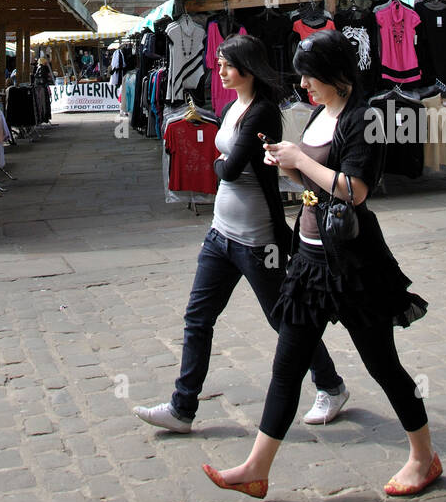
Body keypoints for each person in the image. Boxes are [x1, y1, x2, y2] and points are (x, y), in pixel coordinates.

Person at [203, 29, 440, 501]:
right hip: (309, 260)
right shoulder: (317, 112)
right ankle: (256, 467)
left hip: (354, 266)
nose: (304, 84)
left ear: (334, 74)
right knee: (287, 367)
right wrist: (286, 166)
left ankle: (423, 456)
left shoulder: (364, 117)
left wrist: (299, 160)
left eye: (310, 75)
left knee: (383, 365)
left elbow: (354, 191)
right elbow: (316, 186)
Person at [134, 34, 348, 434]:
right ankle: (183, 408)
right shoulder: (233, 107)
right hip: (220, 235)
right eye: (218, 64)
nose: (220, 70)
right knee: (197, 318)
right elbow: (229, 161)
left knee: (283, 319)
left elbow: (230, 170)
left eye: (227, 65)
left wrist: (219, 163)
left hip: (257, 239)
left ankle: (331, 385)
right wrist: (224, 161)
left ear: (247, 68)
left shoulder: (263, 111)